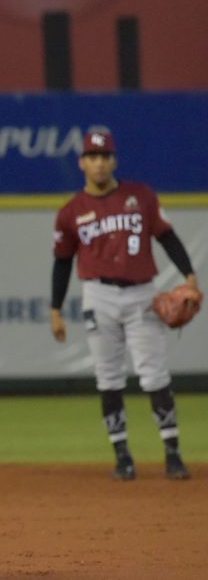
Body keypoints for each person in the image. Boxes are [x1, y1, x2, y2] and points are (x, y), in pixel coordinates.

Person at [50, 130, 201, 481]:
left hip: (141, 294)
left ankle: (173, 454)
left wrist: (189, 275)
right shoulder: (71, 212)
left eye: (105, 156)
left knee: (154, 374)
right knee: (108, 376)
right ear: (82, 163)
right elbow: (61, 261)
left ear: (114, 161)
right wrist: (55, 309)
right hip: (98, 296)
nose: (99, 162)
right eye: (92, 156)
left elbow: (167, 237)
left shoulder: (141, 197)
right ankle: (122, 456)